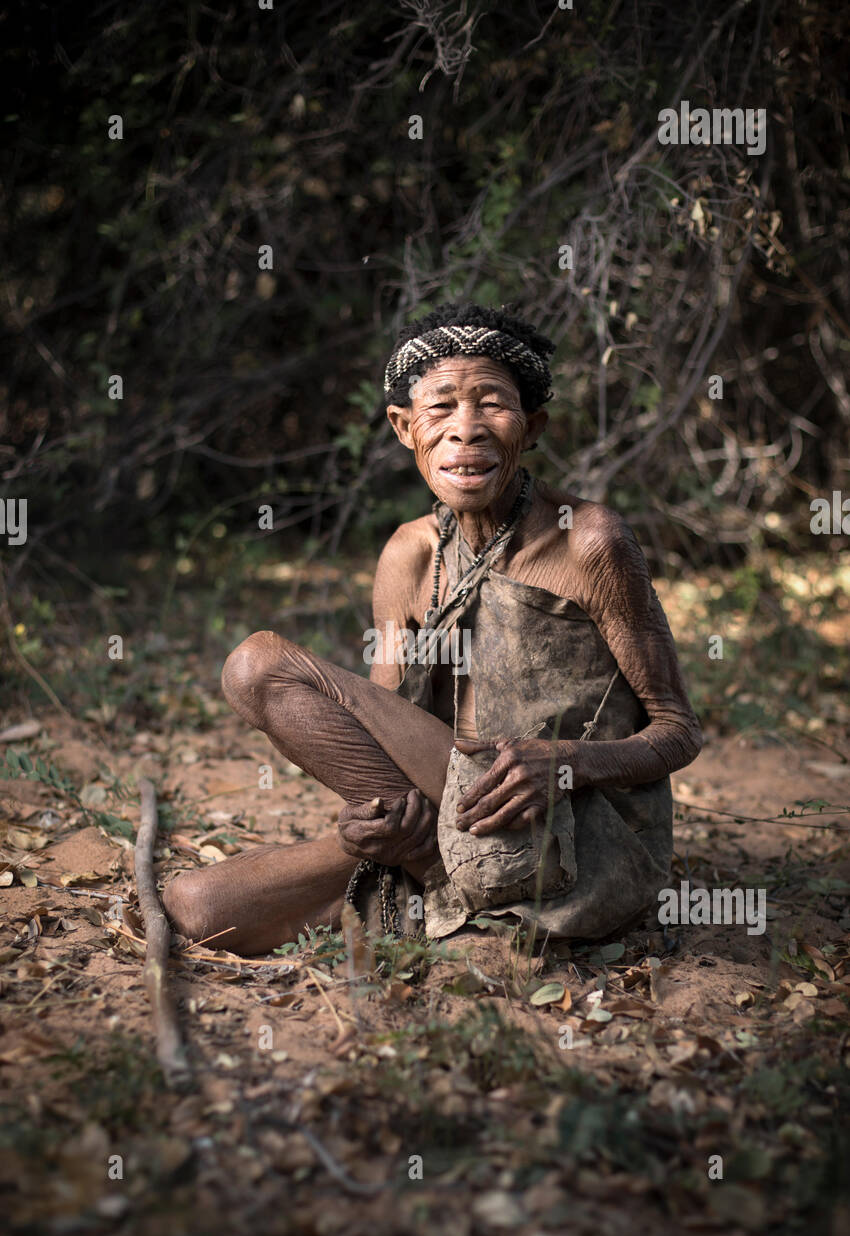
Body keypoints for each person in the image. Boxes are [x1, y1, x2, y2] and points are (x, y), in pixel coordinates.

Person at [162, 303, 703, 955]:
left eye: (491, 405)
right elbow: (380, 731)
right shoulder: (408, 555)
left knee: (258, 664)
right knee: (197, 906)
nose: (465, 430)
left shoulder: (589, 541)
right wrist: (365, 821)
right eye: (440, 406)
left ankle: (486, 880)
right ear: (402, 426)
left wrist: (569, 764)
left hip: (568, 833)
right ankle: (445, 870)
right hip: (445, 827)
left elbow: (677, 731)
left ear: (532, 427)